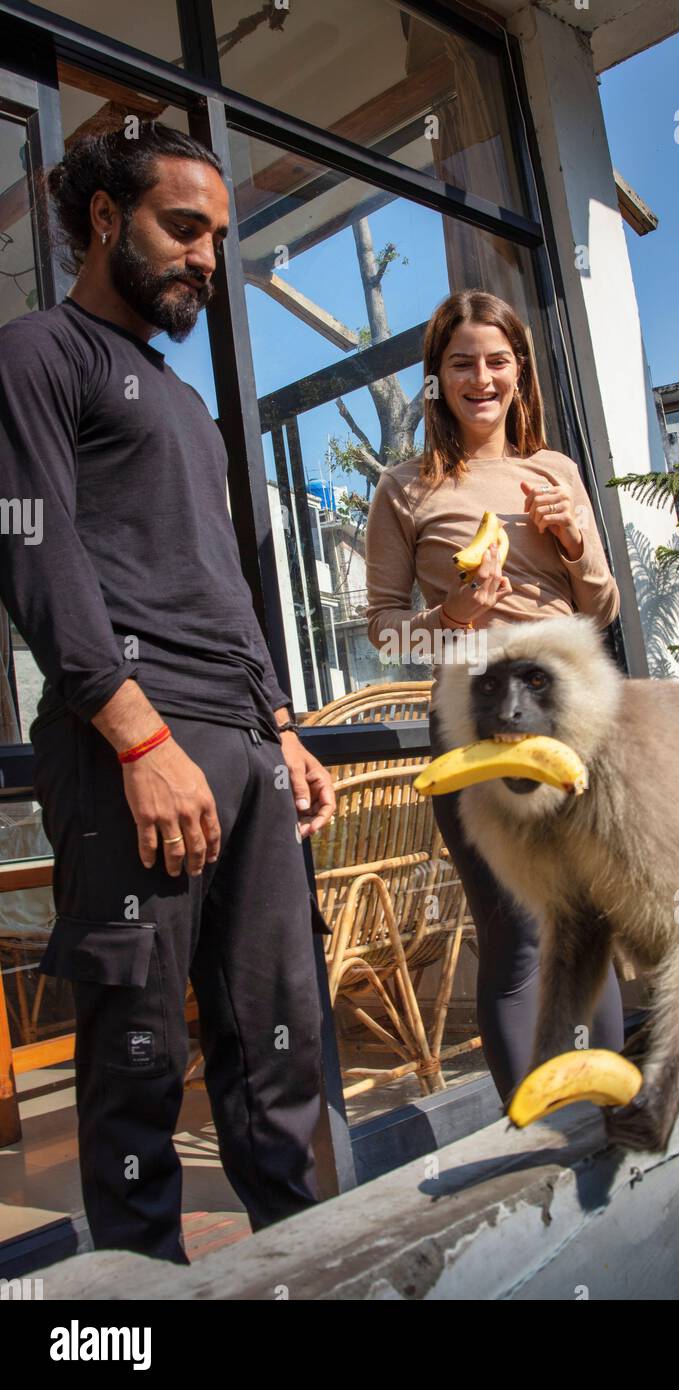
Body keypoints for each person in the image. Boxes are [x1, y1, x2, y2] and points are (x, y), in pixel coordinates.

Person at [0, 122, 336, 1264]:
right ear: (106, 220)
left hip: (239, 747)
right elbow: (36, 557)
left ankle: (310, 1271)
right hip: (132, 748)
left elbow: (223, 579)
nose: (205, 256)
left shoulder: (184, 401)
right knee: (139, 1064)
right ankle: (141, 1304)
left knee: (280, 1049)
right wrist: (139, 740)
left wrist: (280, 724)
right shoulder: (38, 354)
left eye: (217, 238)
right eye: (181, 227)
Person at [365, 289, 623, 1102]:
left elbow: (602, 604)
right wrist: (452, 613)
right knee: (516, 936)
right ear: (437, 378)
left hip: (573, 709)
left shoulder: (556, 473)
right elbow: (383, 631)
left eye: (496, 361)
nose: (481, 378)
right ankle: (544, 1135)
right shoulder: (405, 489)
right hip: (478, 717)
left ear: (520, 372)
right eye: (461, 363)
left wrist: (575, 542)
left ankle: (607, 1115)